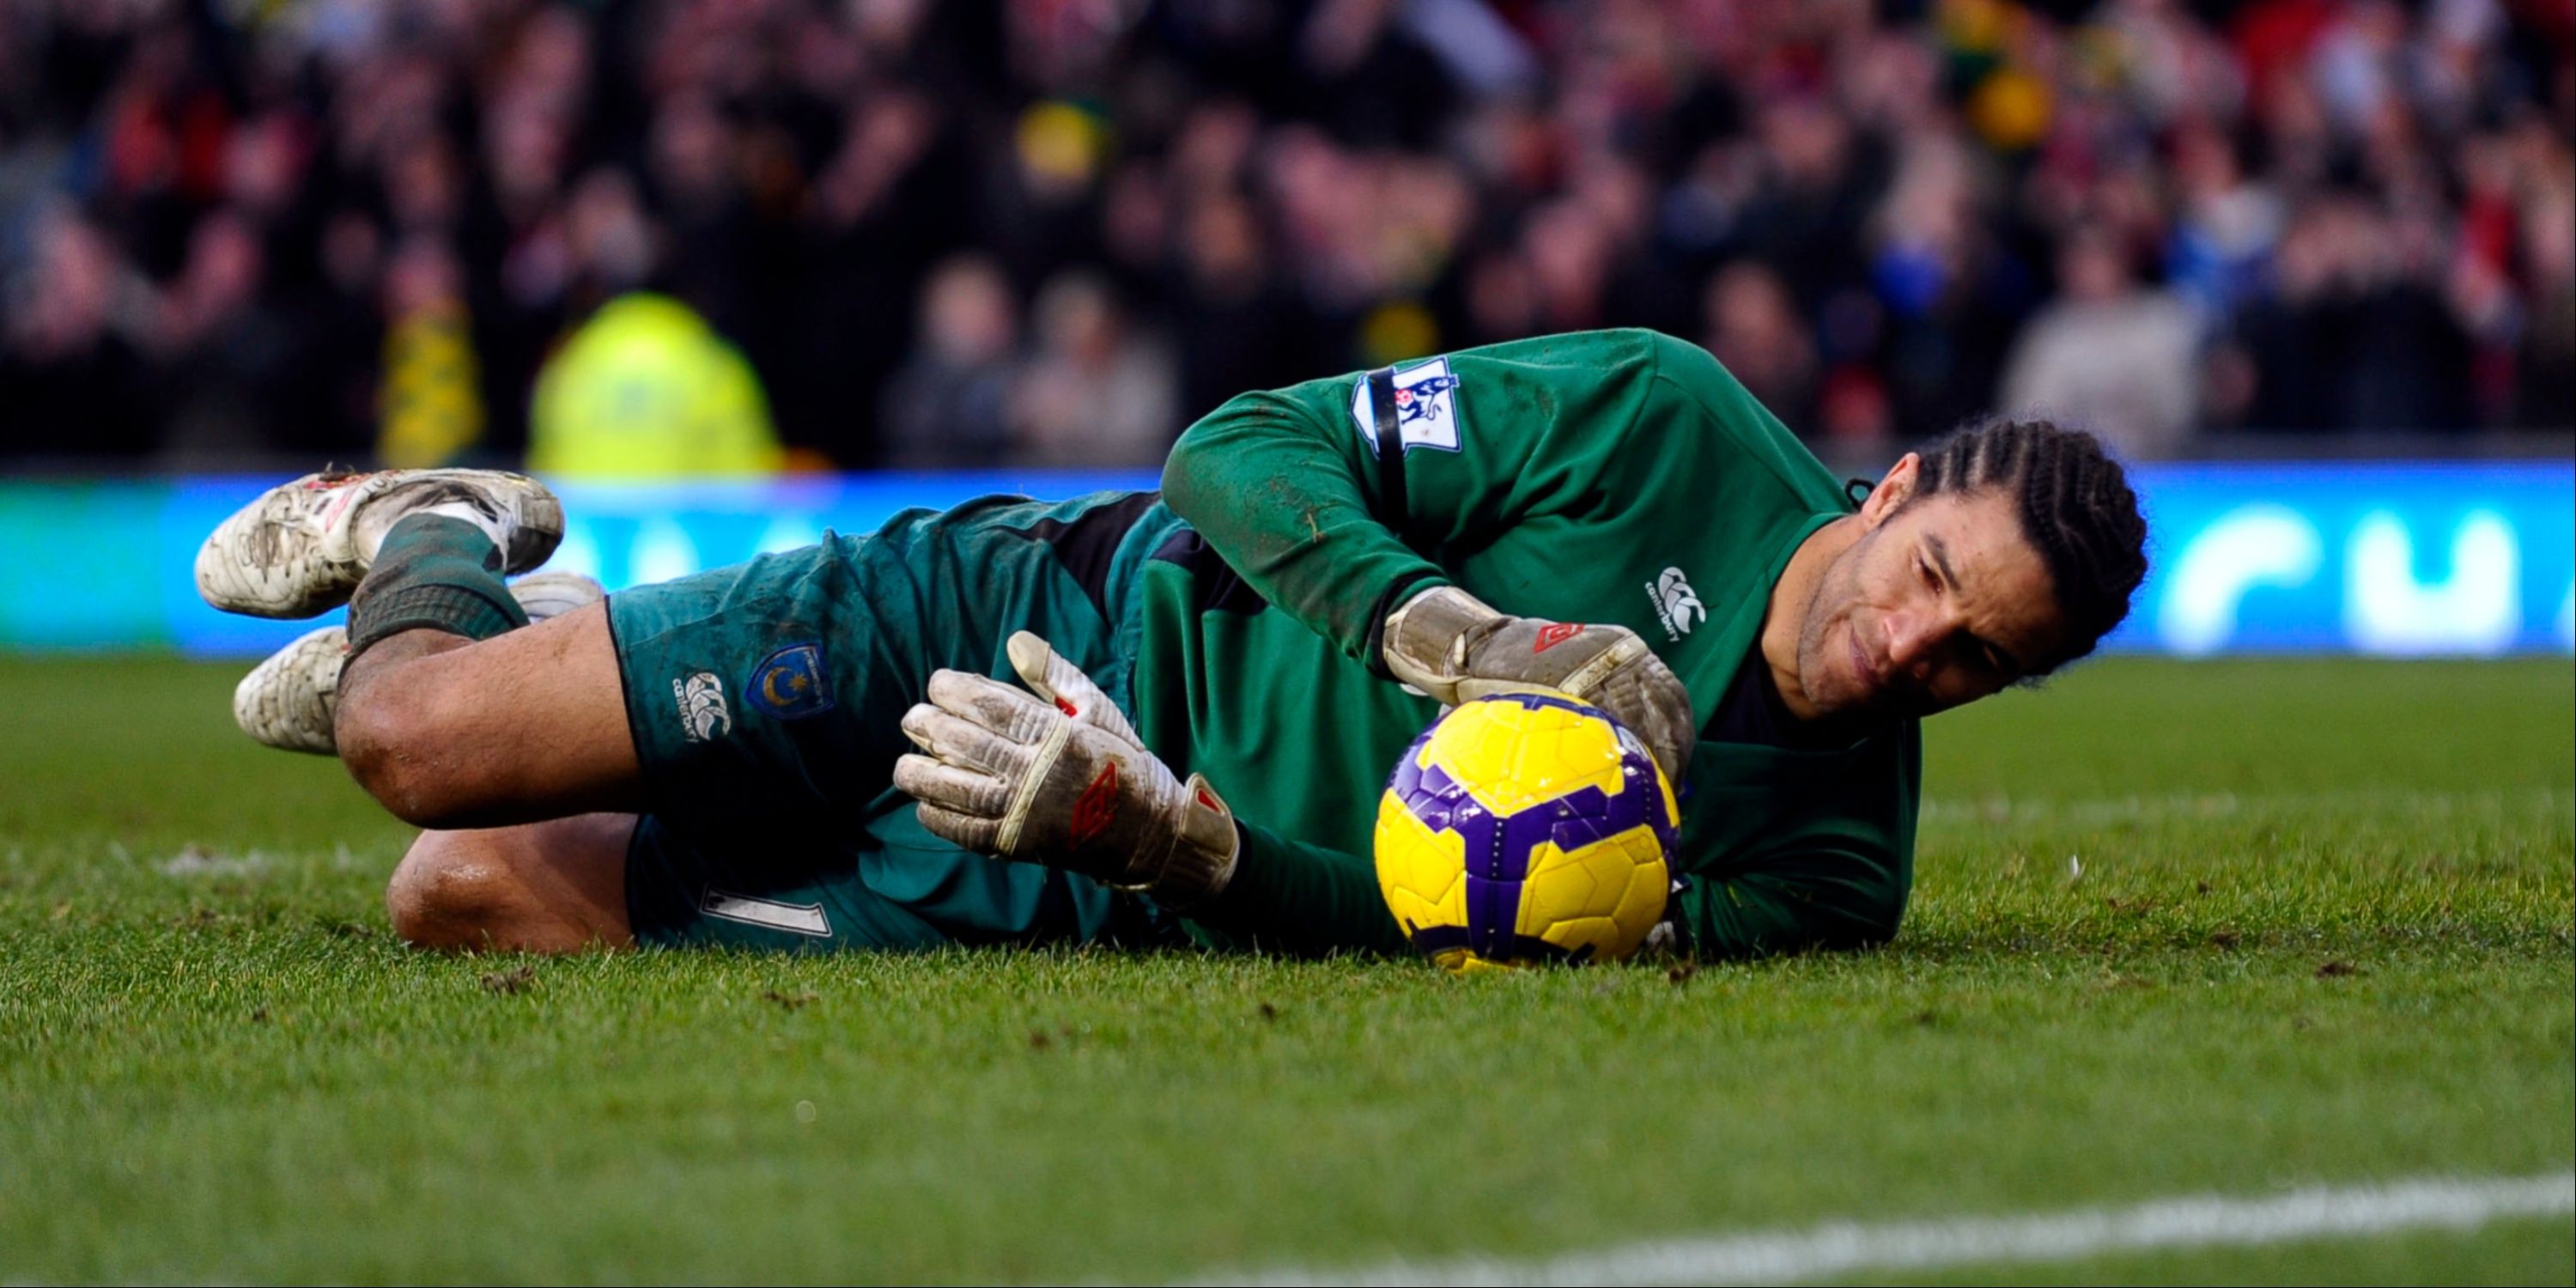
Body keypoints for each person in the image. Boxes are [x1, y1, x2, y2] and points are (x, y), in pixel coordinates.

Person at [199, 330, 2146, 958]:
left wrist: (1172, 846)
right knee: (423, 747)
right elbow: (1238, 449)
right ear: (1890, 493)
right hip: (1039, 613)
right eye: (1935, 582)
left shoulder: (1826, 866)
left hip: (1075, 869)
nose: (1910, 652)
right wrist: (1450, 633)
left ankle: (560, 640)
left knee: (447, 892)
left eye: (1977, 664)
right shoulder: (1660, 416)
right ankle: (427, 529)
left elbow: (1437, 942)